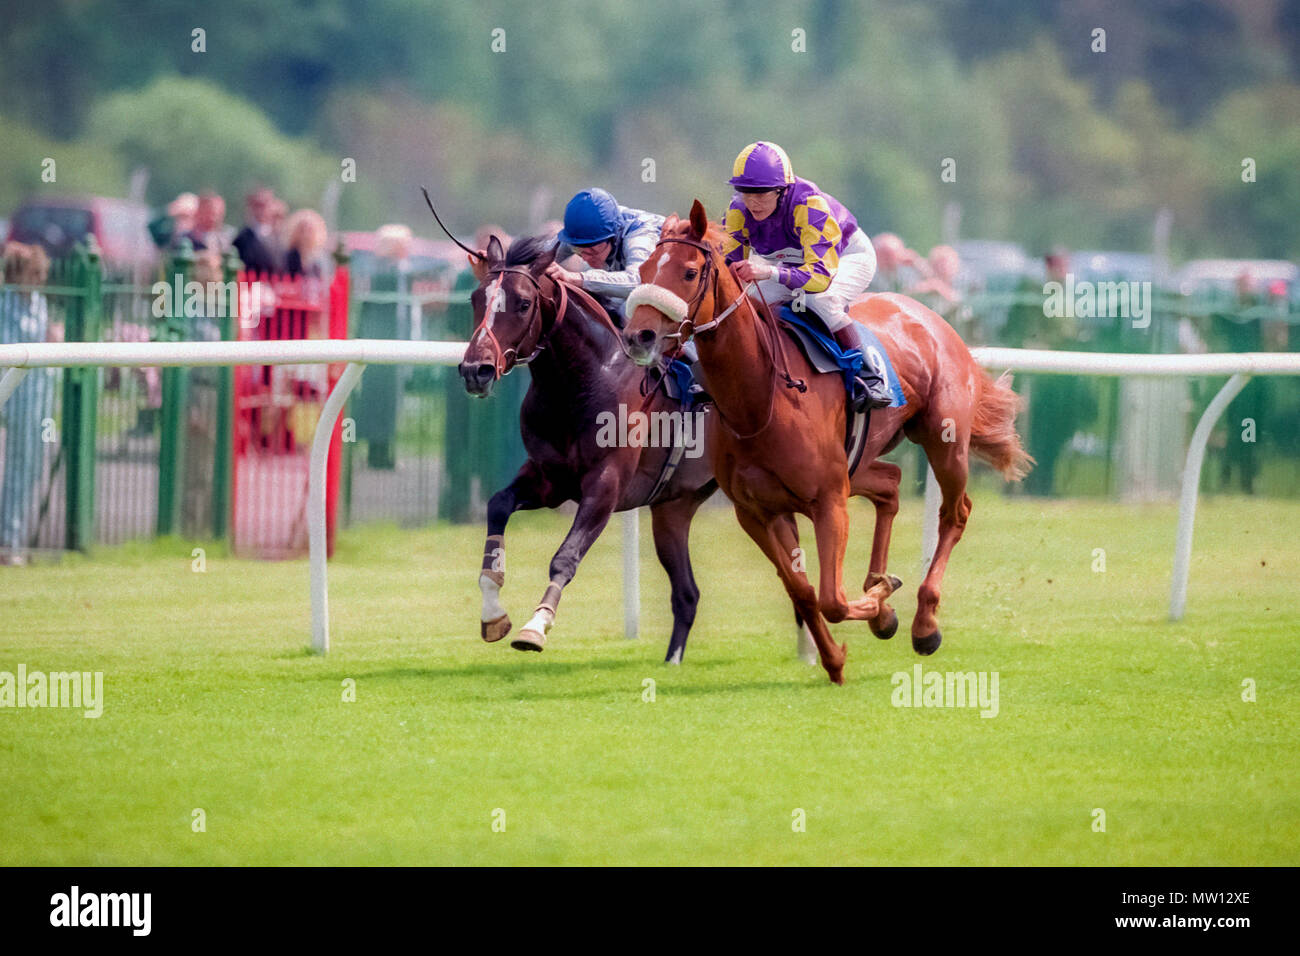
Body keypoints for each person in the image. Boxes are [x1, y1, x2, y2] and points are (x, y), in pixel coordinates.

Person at [721, 141, 891, 409]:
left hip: (845, 257)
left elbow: (819, 279)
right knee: (746, 303)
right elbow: (729, 267)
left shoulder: (809, 204)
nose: (753, 201)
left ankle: (869, 376)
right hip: (787, 262)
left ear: (782, 190)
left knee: (820, 302)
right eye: (745, 191)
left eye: (762, 193)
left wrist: (767, 272)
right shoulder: (738, 210)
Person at [0, 242, 56, 564]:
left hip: (41, 394)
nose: (37, 280)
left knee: (33, 467)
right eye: (33, 273)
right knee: (17, 467)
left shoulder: (40, 304)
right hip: (18, 395)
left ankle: (16, 537)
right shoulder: (7, 303)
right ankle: (10, 541)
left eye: (40, 274)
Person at [545, 188, 664, 325]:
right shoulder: (582, 233)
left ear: (612, 237)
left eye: (592, 250)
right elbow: (532, 258)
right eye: (577, 250)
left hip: (678, 297)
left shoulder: (640, 236)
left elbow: (638, 282)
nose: (585, 258)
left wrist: (575, 278)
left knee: (628, 313)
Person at [232, 188, 283, 274]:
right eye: (258, 206)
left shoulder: (278, 238)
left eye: (266, 205)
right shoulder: (242, 239)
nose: (262, 210)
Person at [284, 209, 329, 279]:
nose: (305, 234)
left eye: (309, 230)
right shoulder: (288, 256)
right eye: (302, 230)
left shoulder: (321, 257)